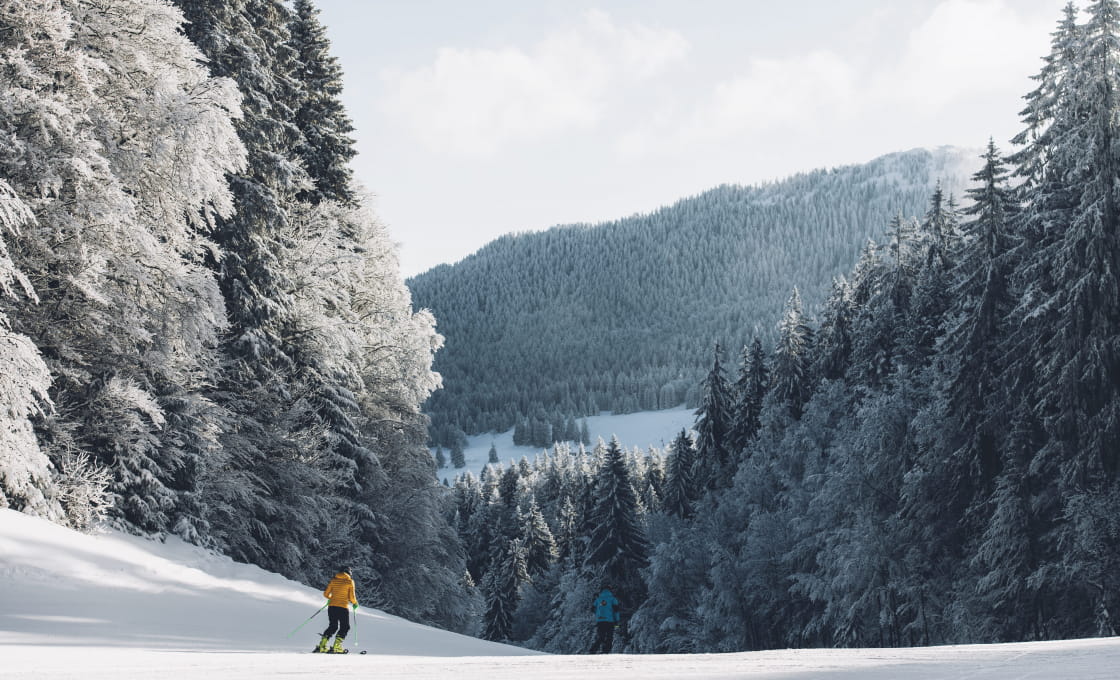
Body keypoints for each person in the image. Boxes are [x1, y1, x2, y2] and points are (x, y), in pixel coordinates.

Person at [317, 566, 359, 653]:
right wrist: (355, 603)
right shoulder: (350, 581)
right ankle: (337, 646)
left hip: (332, 607)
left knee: (333, 626)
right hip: (343, 607)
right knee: (345, 626)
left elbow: (325, 594)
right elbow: (352, 597)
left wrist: (331, 598)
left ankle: (322, 645)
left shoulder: (334, 580)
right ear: (349, 572)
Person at [589, 586, 620, 653]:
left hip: (600, 621)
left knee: (601, 637)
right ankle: (605, 652)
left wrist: (599, 614)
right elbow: (616, 611)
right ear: (610, 590)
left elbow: (592, 609)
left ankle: (593, 650)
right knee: (609, 637)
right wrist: (617, 622)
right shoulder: (613, 599)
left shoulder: (598, 599)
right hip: (610, 621)